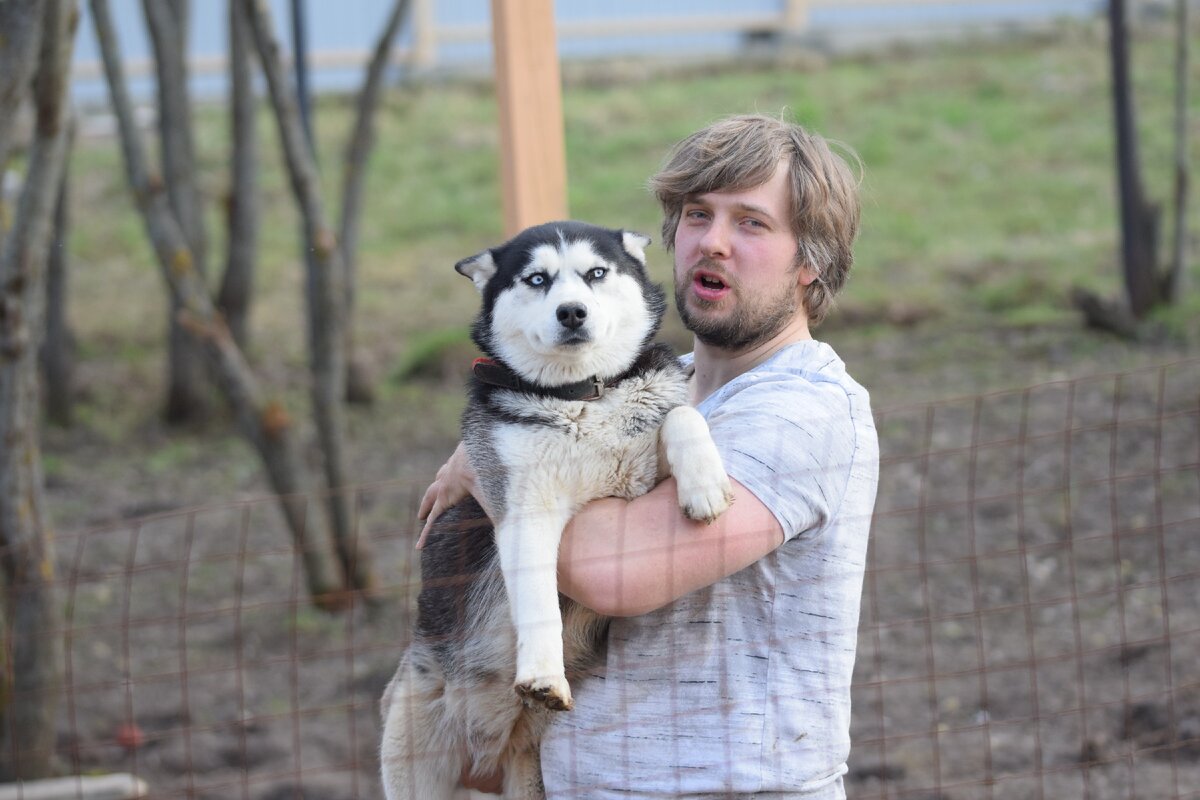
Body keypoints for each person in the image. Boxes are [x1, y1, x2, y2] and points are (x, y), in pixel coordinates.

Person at [419, 113, 879, 799]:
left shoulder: (806, 409)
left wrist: (492, 465)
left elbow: (616, 572)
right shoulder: (625, 391)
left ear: (809, 260)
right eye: (698, 215)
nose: (712, 243)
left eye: (751, 223)